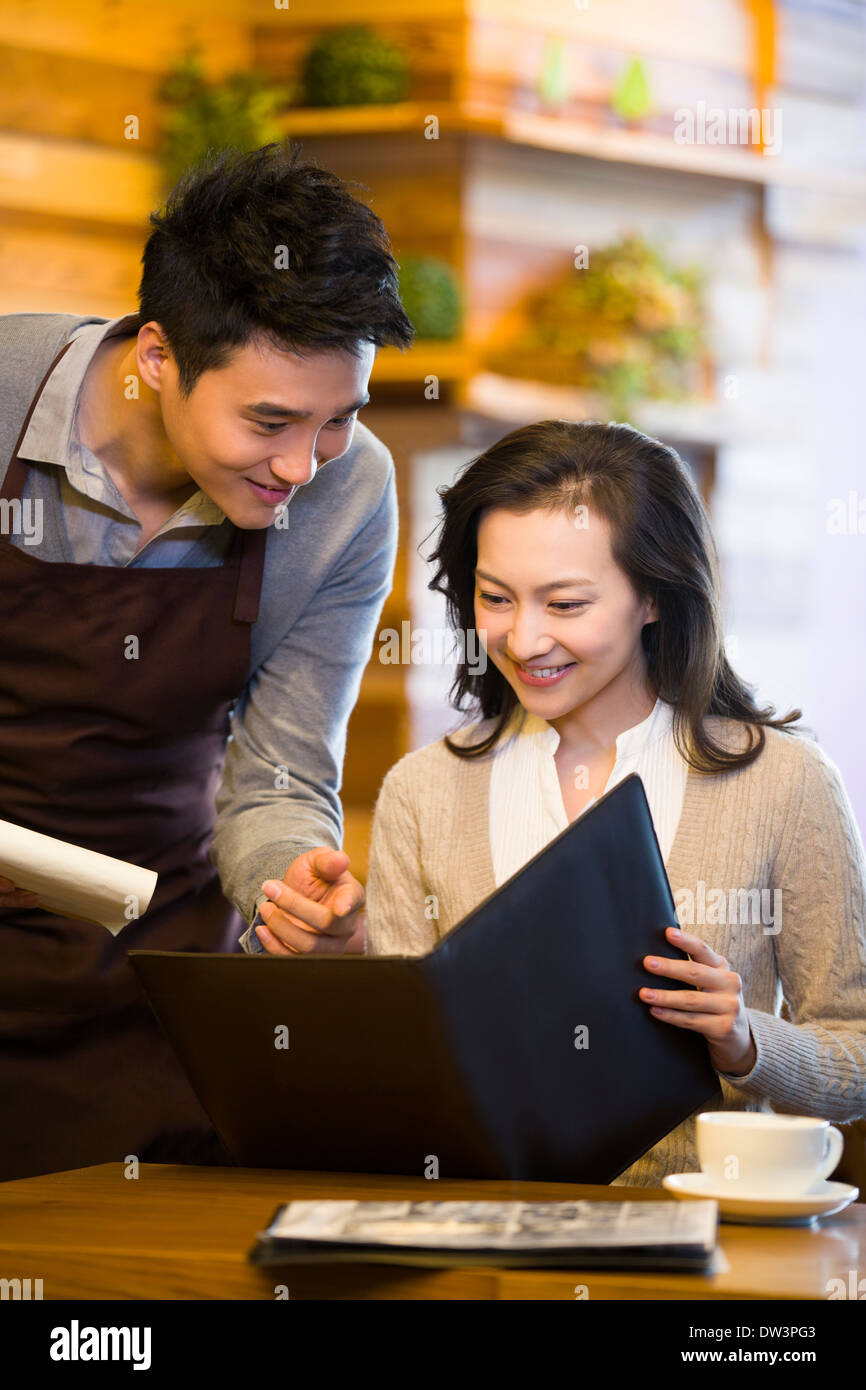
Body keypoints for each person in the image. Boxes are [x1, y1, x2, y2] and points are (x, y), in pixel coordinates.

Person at [0, 142, 413, 1182]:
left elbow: (277, 776)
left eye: (337, 418)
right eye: (268, 421)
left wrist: (293, 888)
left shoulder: (349, 493)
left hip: (151, 988)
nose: (299, 465)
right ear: (155, 357)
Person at [360, 419, 866, 1188]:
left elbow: (856, 1058)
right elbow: (400, 1064)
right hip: (483, 1241)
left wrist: (745, 1041)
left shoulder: (782, 782)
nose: (524, 639)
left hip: (708, 1250)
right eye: (496, 597)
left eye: (565, 605)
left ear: (655, 597)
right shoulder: (423, 791)